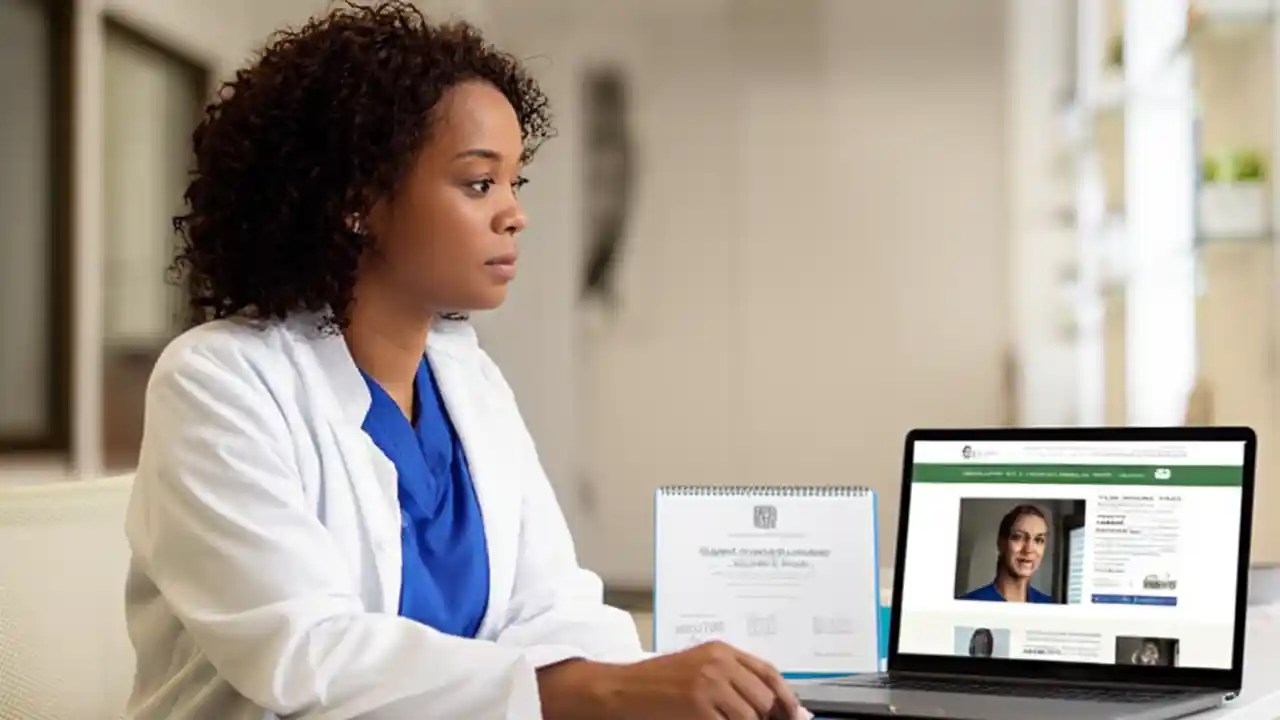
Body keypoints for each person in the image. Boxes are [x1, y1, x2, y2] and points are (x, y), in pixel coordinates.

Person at [121, 3, 803, 719]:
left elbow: (553, 606)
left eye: (516, 183)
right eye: (479, 184)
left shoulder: (465, 379)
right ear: (359, 199)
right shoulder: (220, 380)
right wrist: (596, 691)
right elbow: (306, 657)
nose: (514, 214)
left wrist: (658, 689)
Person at [961, 504, 1055, 603]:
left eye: (1039, 540)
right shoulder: (969, 604)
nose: (1029, 549)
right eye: (1018, 537)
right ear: (1001, 543)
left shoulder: (1050, 607)